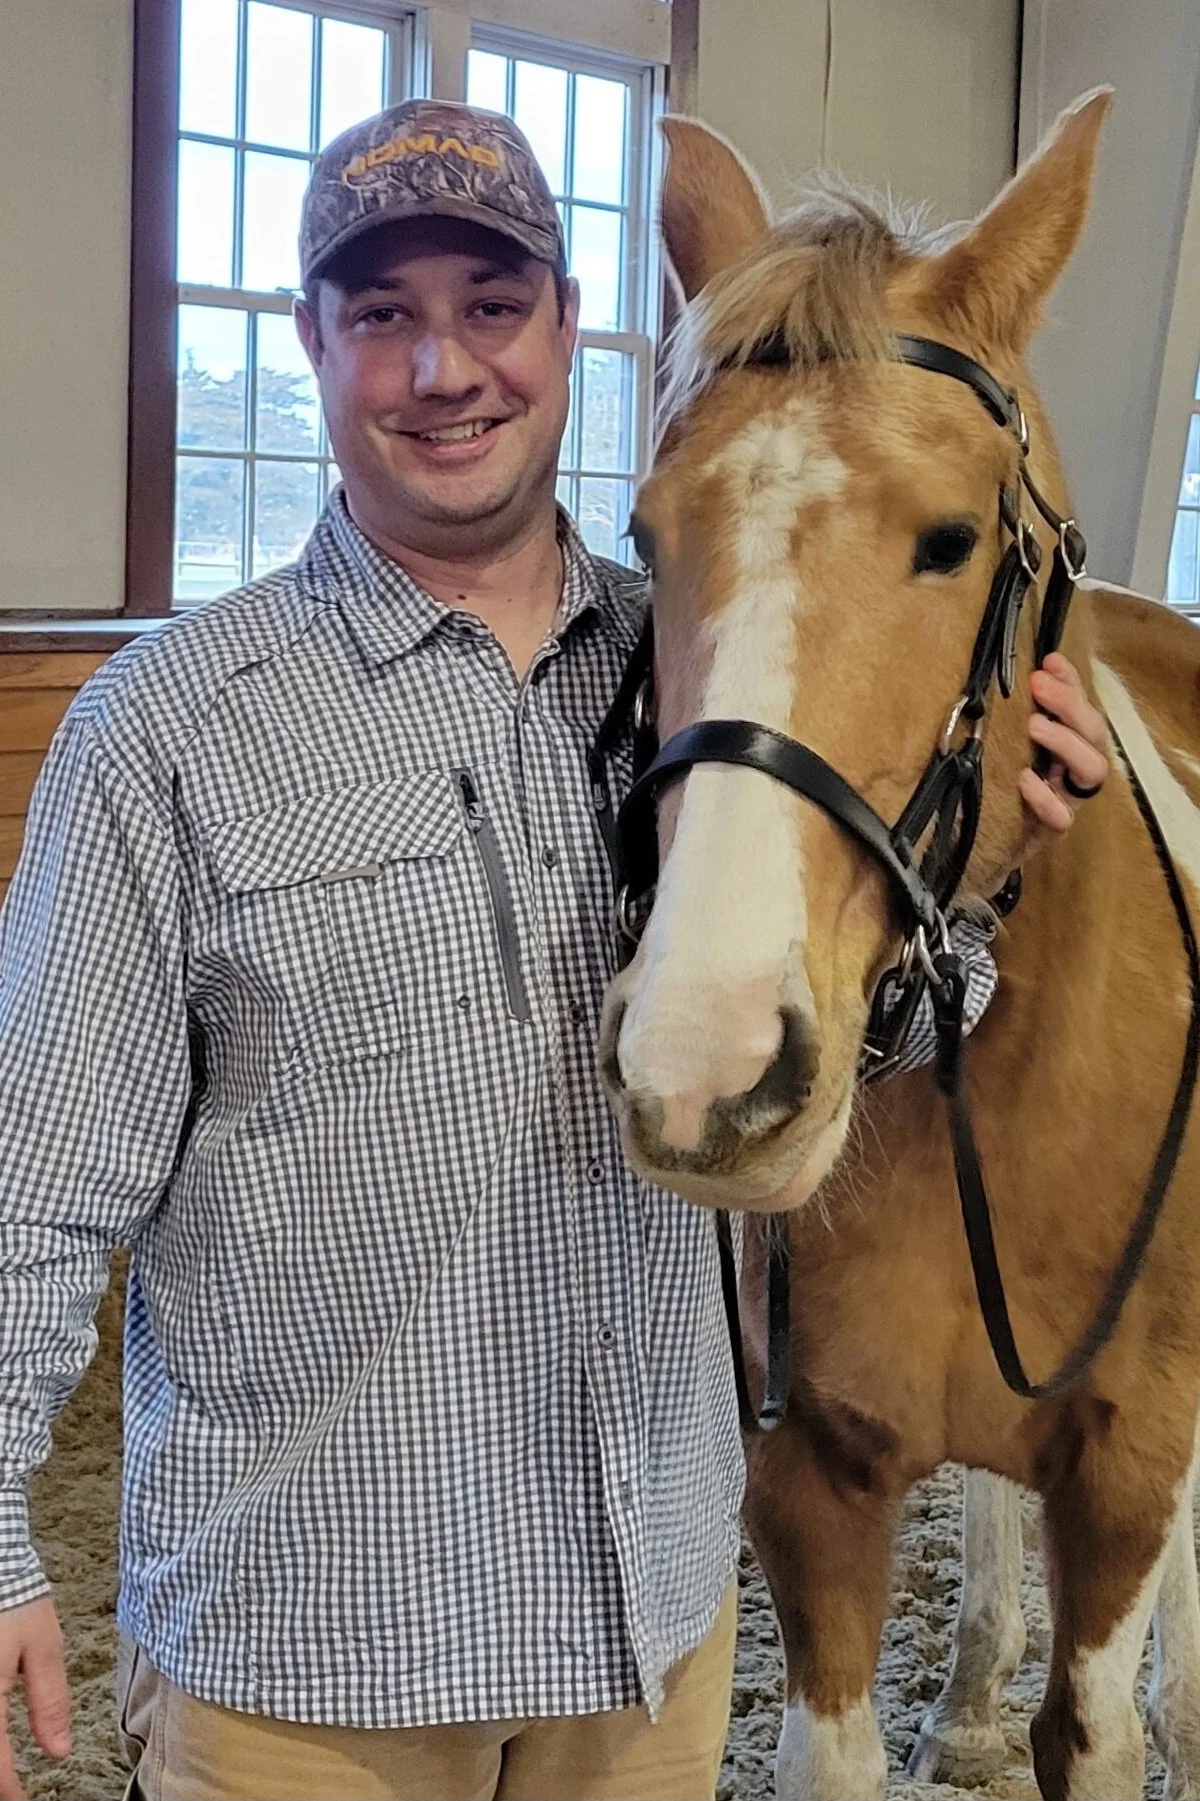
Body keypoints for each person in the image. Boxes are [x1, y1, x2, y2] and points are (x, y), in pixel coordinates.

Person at [0, 100, 1109, 1801]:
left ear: (572, 330)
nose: (446, 367)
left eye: (491, 305)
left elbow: (853, 1036)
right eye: (382, 316)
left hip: (641, 1627)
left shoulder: (696, 665)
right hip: (312, 1655)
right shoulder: (168, 730)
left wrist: (977, 882)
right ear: (314, 344)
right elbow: (39, 1178)